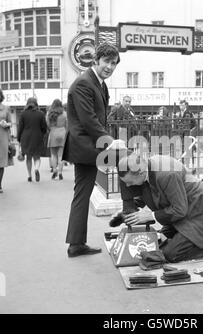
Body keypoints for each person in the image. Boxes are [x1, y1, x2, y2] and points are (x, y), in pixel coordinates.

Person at [62, 42, 125, 258]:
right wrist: (110, 141)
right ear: (96, 60)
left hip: (90, 146)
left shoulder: (99, 83)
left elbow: (98, 118)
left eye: (114, 63)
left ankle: (76, 244)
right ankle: (131, 216)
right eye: (107, 62)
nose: (110, 67)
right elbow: (89, 120)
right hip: (87, 146)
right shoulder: (83, 83)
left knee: (83, 194)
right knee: (129, 163)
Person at [117, 153, 203, 263]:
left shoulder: (166, 174)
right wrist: (126, 211)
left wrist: (150, 215)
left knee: (170, 254)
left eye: (130, 182)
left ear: (140, 173)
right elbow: (151, 193)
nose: (128, 185)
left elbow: (179, 210)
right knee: (157, 241)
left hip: (202, 211)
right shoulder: (146, 169)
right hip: (185, 210)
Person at [17, 97, 47, 182]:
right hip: (37, 137)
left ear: (27, 104)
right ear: (36, 104)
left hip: (26, 138)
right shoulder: (41, 114)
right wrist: (42, 134)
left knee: (28, 157)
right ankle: (36, 169)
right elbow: (44, 127)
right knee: (37, 156)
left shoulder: (23, 114)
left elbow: (20, 128)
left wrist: (19, 138)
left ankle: (29, 176)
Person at [46, 99, 67, 180]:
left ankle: (54, 170)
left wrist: (52, 128)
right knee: (61, 155)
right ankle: (60, 173)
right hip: (62, 133)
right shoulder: (64, 113)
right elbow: (67, 124)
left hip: (53, 133)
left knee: (53, 155)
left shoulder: (49, 113)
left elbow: (47, 124)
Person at [0, 89, 12, 193]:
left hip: (2, 137)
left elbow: (10, 123)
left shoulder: (6, 108)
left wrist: (6, 124)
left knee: (1, 162)